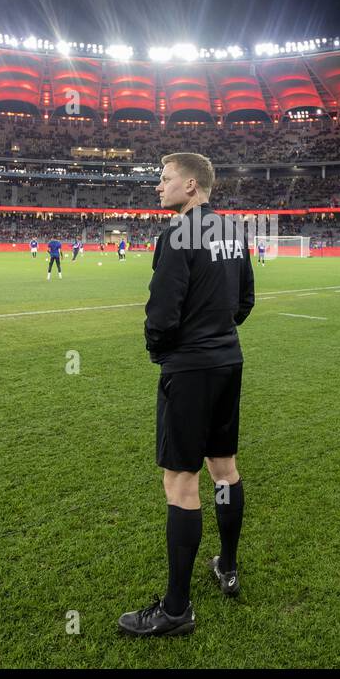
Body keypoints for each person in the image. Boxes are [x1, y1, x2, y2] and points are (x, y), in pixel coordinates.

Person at [119, 152, 253, 638]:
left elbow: (161, 314)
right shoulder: (235, 232)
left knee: (180, 483)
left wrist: (164, 353)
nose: (158, 186)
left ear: (192, 186)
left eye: (165, 178)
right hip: (227, 362)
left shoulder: (177, 234)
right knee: (225, 469)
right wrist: (217, 335)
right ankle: (228, 566)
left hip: (190, 370)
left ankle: (176, 609)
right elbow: (244, 302)